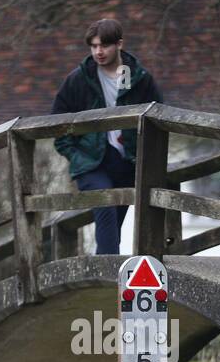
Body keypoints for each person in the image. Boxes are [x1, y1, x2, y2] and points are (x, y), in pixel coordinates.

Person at [51, 18, 164, 255]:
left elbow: (160, 119)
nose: (98, 52)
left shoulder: (139, 78)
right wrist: (75, 156)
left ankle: (107, 269)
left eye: (104, 46)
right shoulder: (79, 79)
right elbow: (55, 124)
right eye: (93, 46)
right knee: (105, 206)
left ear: (119, 44)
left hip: (127, 161)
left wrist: (146, 155)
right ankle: (109, 271)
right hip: (91, 160)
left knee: (115, 222)